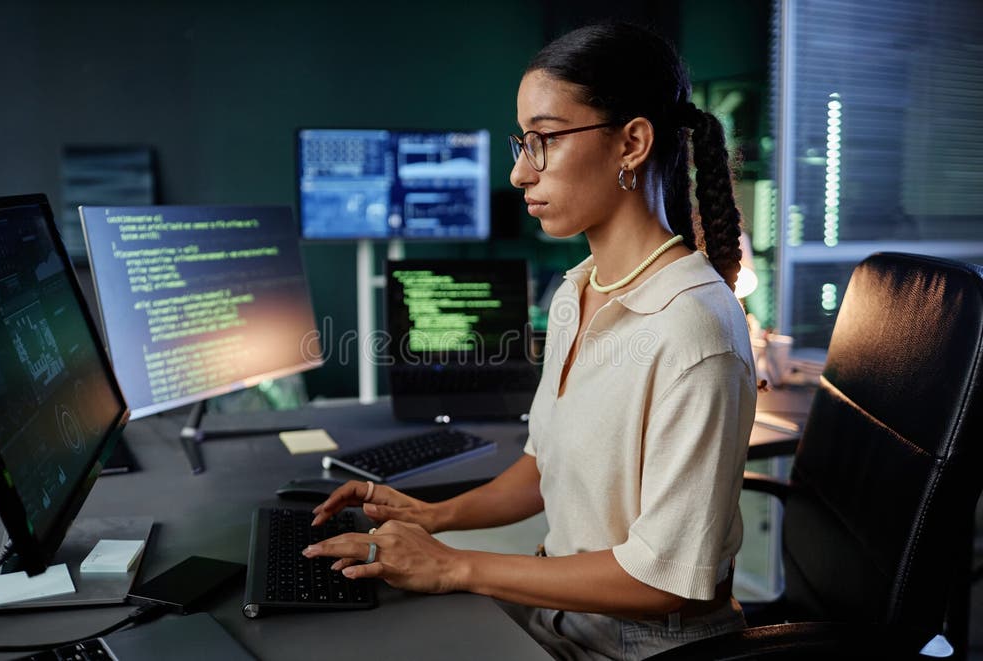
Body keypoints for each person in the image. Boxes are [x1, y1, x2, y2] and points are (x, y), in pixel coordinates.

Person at [304, 21, 757, 660]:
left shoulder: (695, 327)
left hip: (646, 645)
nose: (520, 173)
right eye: (525, 143)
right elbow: (545, 466)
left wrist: (453, 565)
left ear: (631, 143)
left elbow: (664, 578)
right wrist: (432, 517)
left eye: (543, 140)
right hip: (563, 613)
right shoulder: (576, 291)